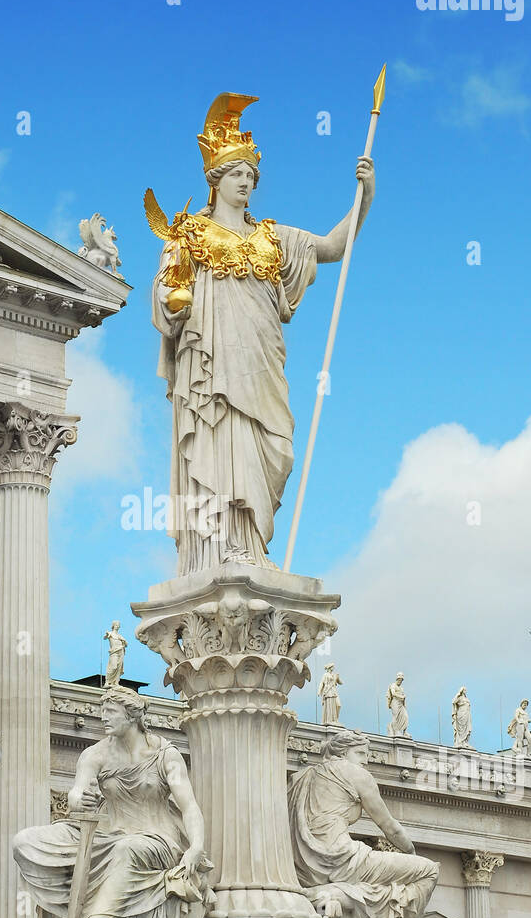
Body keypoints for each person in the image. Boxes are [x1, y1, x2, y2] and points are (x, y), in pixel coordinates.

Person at [149, 92, 374, 573]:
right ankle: (218, 549)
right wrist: (174, 301)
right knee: (219, 433)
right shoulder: (188, 234)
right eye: (237, 175)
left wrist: (364, 197)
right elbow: (167, 297)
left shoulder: (273, 238)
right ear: (216, 180)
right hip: (211, 359)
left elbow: (333, 247)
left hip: (261, 359)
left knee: (272, 443)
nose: (245, 183)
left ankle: (251, 546)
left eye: (251, 176)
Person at [13, 687, 212, 918]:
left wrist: (196, 846)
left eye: (110, 712)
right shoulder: (96, 754)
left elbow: (189, 807)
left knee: (127, 850)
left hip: (156, 840)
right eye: (102, 710)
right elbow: (77, 792)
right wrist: (79, 800)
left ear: (131, 716)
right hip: (110, 835)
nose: (103, 717)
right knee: (25, 842)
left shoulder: (165, 754)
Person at [288, 729, 438, 918]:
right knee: (428, 871)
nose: (366, 762)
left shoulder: (301, 777)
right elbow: (390, 827)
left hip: (305, 868)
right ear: (343, 752)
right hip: (342, 860)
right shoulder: (355, 773)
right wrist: (411, 852)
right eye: (360, 753)